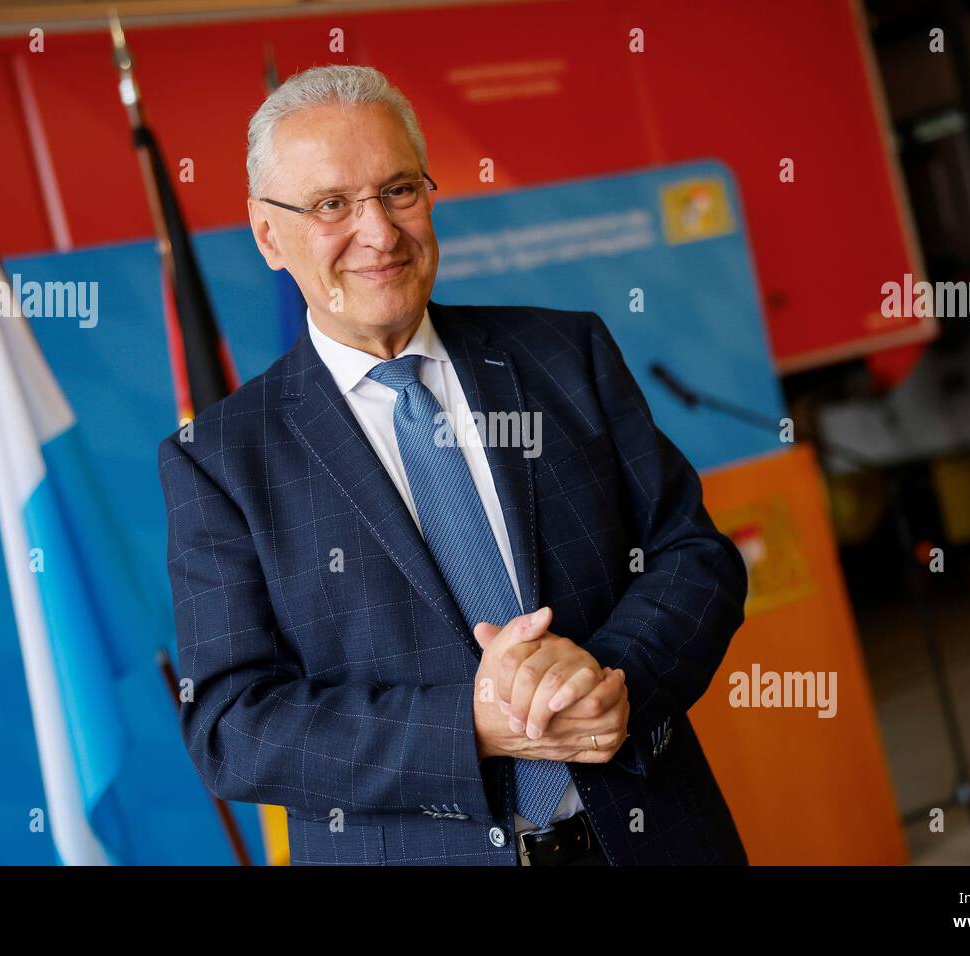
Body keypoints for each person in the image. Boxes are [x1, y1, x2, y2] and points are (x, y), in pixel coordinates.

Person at [158, 64, 749, 866]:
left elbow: (694, 555)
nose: (378, 231)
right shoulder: (222, 461)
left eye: (399, 190)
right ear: (269, 234)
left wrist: (616, 677)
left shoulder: (563, 354)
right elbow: (232, 726)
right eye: (332, 205)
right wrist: (468, 723)